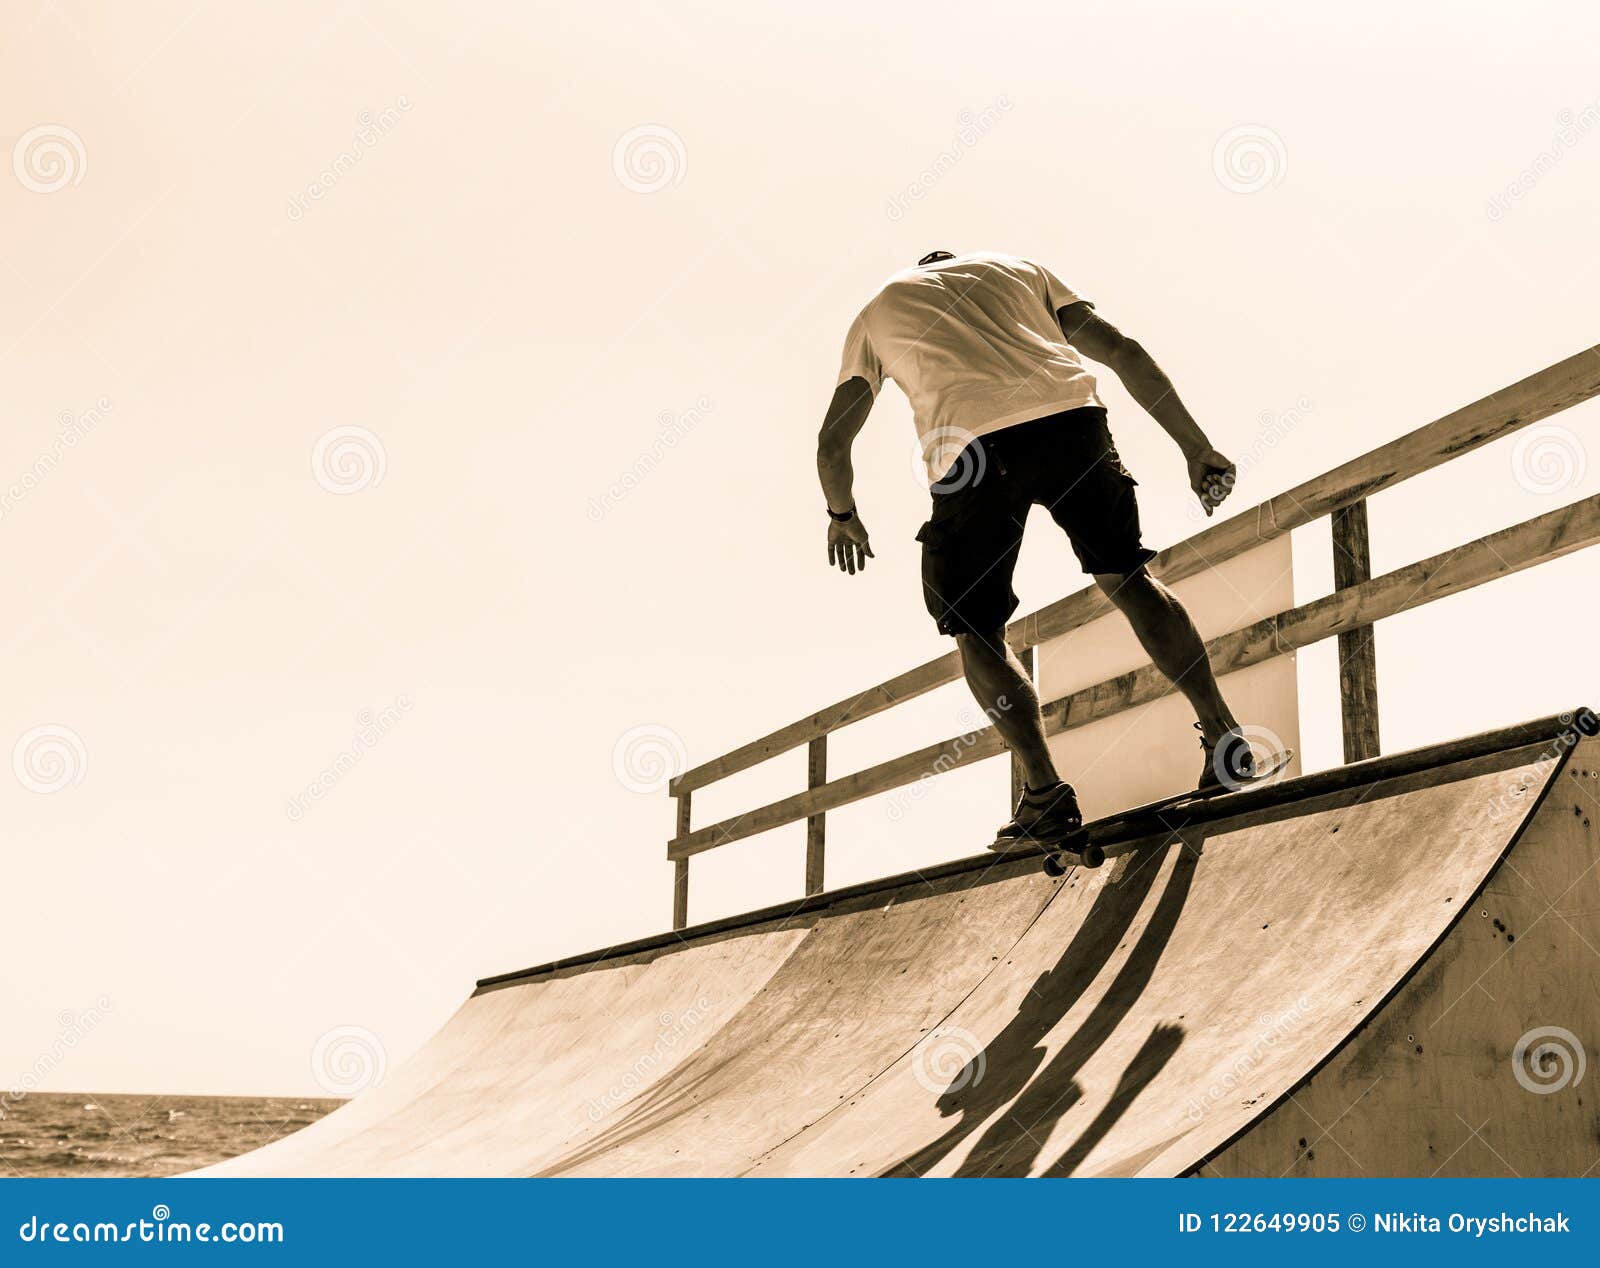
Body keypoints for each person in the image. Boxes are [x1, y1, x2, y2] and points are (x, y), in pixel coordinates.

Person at [815, 249, 1255, 848]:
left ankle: (1046, 797)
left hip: (970, 451)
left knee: (977, 629)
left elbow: (833, 443)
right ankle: (1226, 738)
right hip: (1074, 424)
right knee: (1128, 577)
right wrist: (1195, 447)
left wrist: (843, 515)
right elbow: (1123, 351)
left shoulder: (880, 307)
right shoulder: (1020, 271)